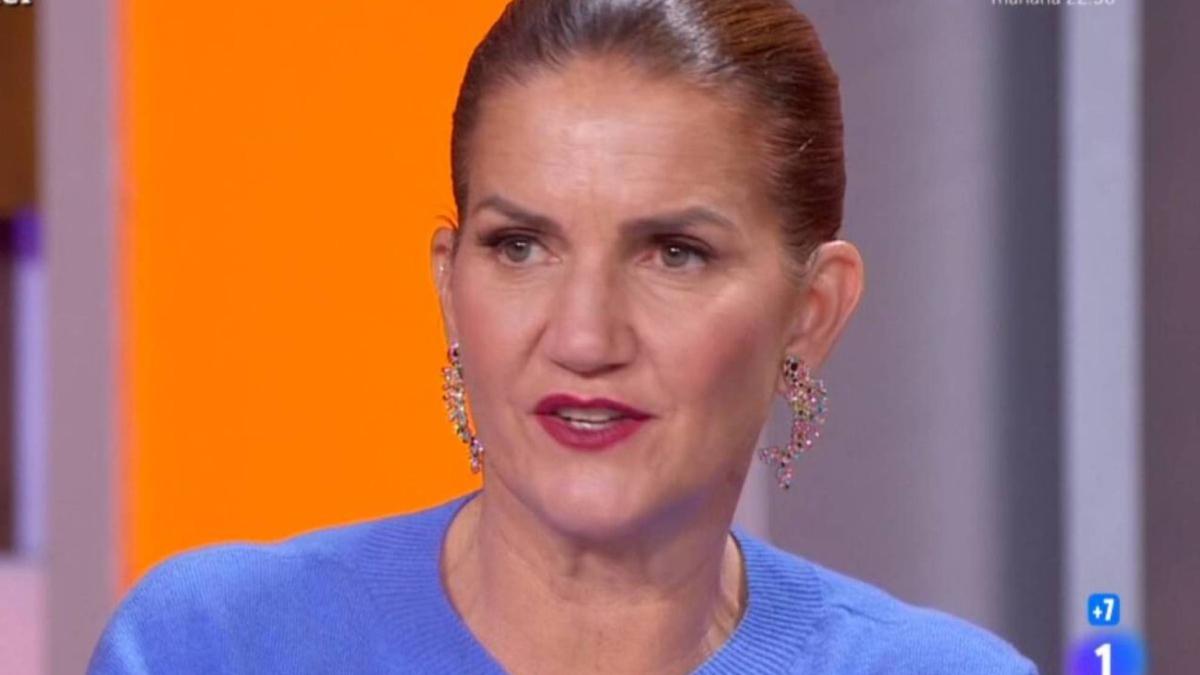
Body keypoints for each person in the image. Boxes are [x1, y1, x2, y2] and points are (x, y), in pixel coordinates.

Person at [88, 1, 1039, 673]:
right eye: (521, 246)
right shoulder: (214, 645)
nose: (584, 337)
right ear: (450, 285)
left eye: (674, 253)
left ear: (813, 310)